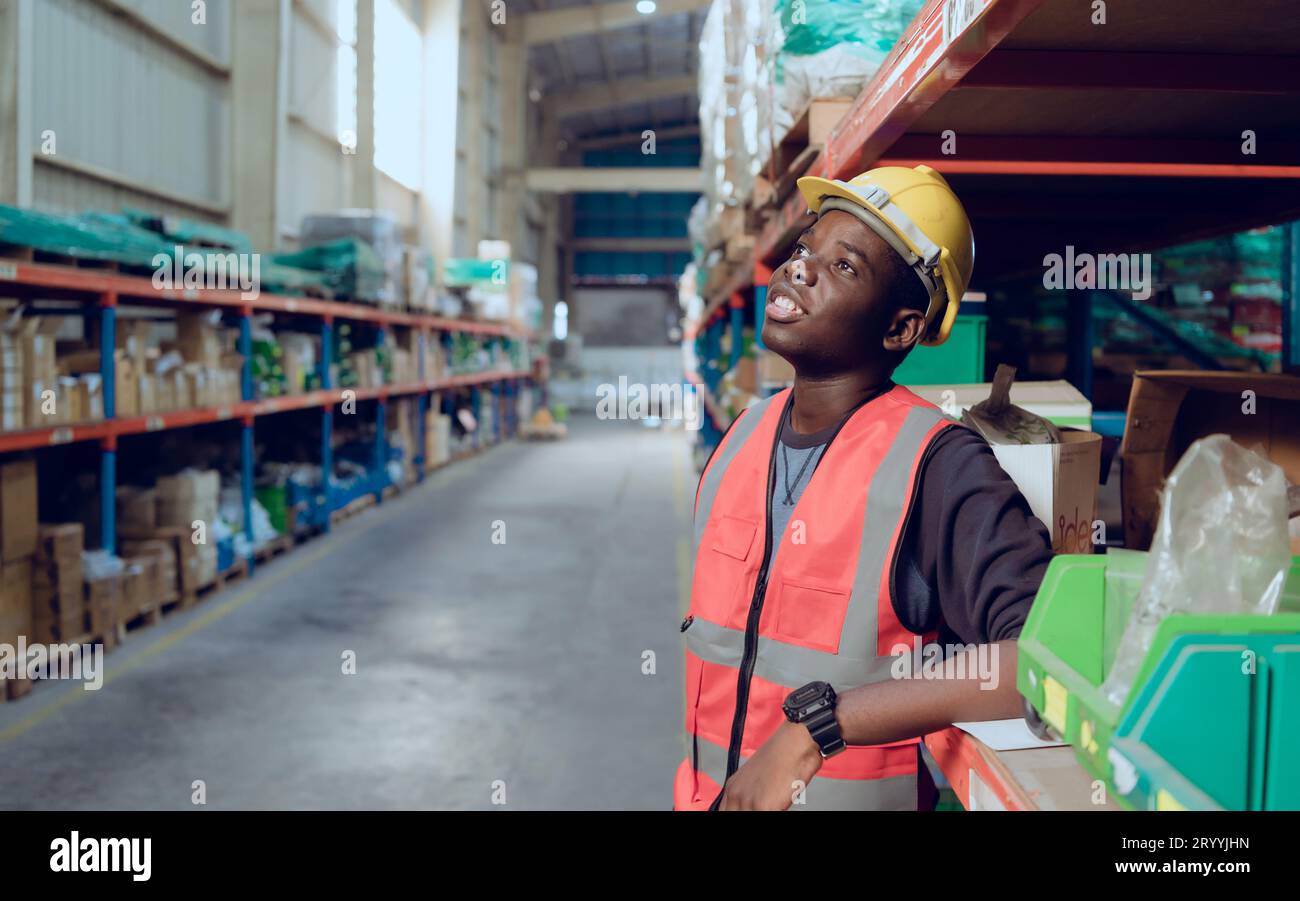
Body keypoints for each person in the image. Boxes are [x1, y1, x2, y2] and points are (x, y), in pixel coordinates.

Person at [674, 165, 1055, 811]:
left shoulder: (938, 465)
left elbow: (1043, 661)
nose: (800, 268)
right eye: (803, 251)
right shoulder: (741, 435)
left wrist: (820, 727)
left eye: (844, 266)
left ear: (900, 328)